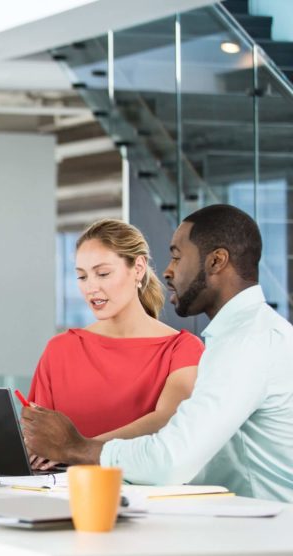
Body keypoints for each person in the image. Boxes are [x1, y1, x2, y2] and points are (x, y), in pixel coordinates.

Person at [22, 204, 293, 501]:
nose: (167, 270)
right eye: (82, 276)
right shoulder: (238, 338)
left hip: (266, 531)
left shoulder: (247, 343)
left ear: (216, 261)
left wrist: (75, 448)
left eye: (177, 256)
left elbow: (171, 460)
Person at [28, 219, 203, 445]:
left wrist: (77, 448)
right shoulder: (59, 350)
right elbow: (38, 435)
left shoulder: (182, 350)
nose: (91, 288)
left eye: (102, 273)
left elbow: (169, 421)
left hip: (141, 481)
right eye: (82, 276)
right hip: (63, 481)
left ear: (138, 268)